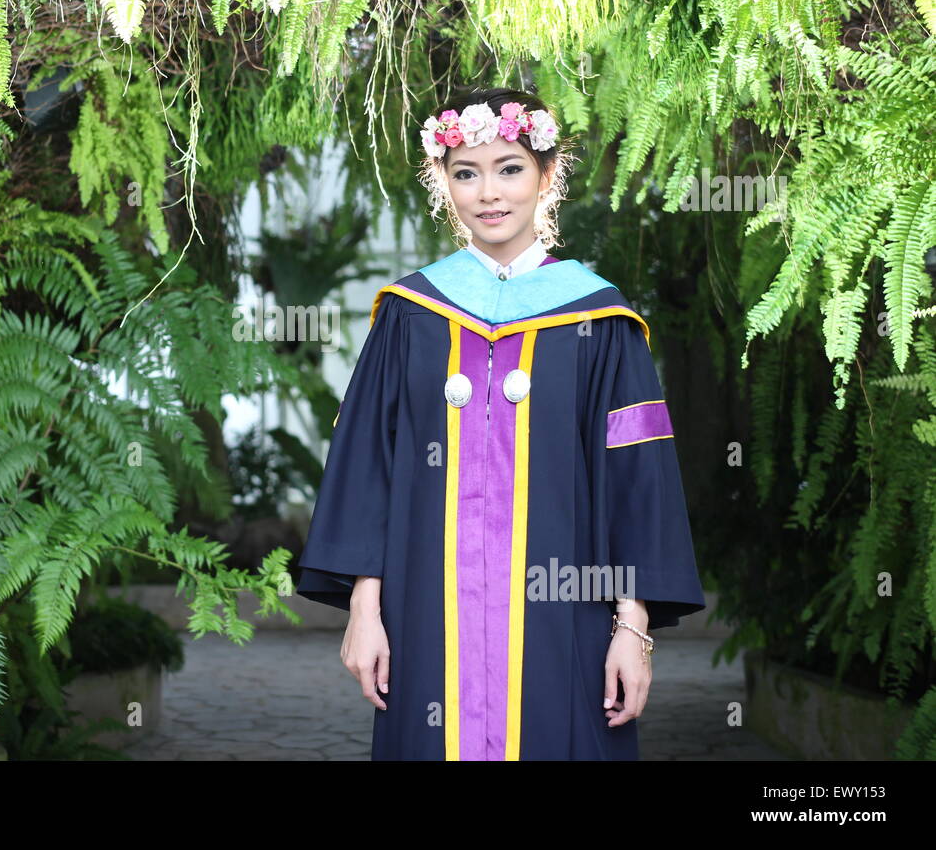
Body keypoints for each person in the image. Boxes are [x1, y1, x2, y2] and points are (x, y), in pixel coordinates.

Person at [295, 87, 706, 760]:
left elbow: (639, 479)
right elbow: (371, 467)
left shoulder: (597, 319)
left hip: (566, 617)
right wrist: (365, 612)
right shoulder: (412, 313)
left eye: (509, 168)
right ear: (444, 183)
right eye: (467, 173)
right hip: (428, 615)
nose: (489, 192)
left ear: (546, 176)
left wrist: (633, 628)